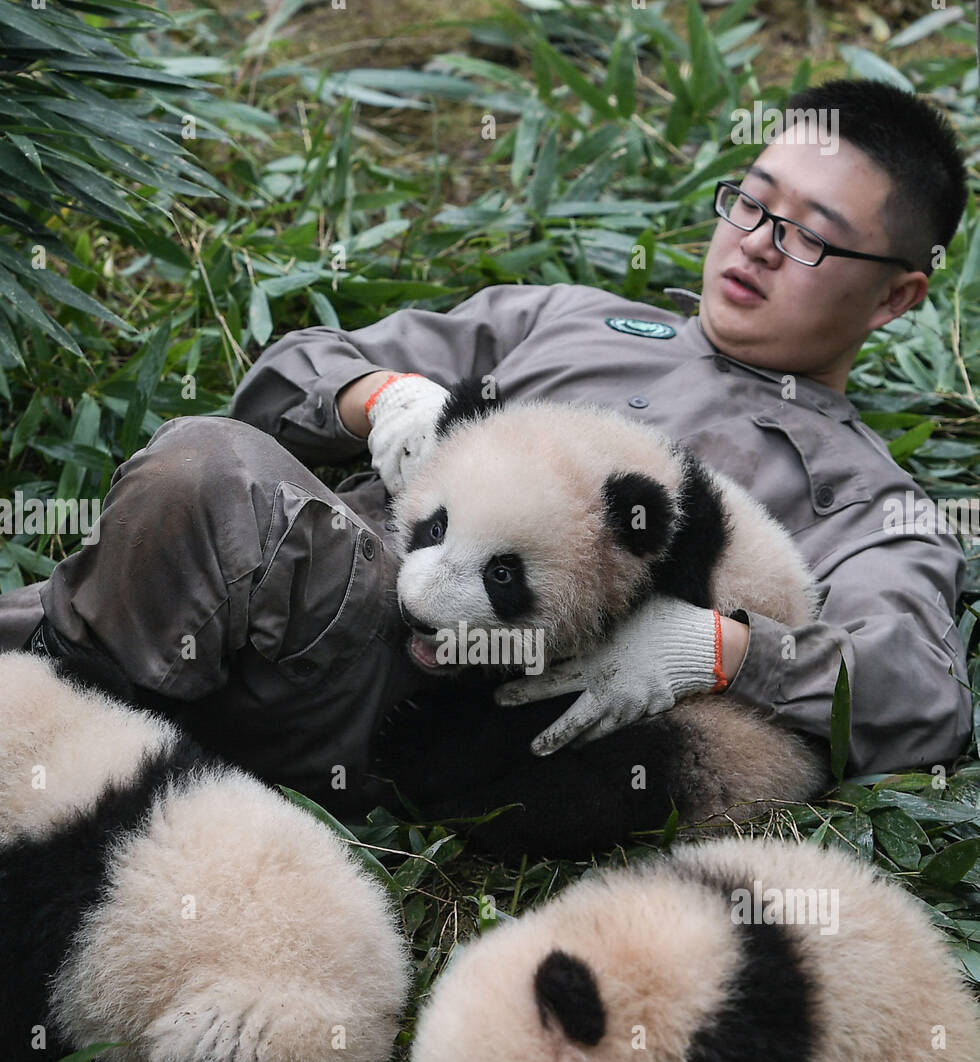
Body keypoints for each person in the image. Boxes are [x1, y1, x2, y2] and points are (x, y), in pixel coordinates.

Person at [0, 78, 971, 810]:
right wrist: (378, 399)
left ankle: (56, 741)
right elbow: (288, 372)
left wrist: (716, 650)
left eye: (809, 236)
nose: (756, 241)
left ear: (895, 295)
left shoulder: (861, 495)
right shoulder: (570, 318)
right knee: (192, 487)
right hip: (264, 574)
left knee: (204, 473)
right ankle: (77, 709)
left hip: (413, 684)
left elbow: (915, 691)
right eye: (750, 201)